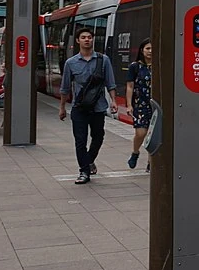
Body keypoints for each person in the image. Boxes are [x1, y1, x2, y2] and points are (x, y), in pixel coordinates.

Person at [58, 27, 118, 184]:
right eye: (83, 37)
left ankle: (89, 159)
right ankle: (84, 171)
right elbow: (65, 88)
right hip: (79, 108)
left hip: (98, 107)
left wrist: (113, 101)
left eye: (89, 37)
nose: (87, 40)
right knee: (80, 140)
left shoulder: (103, 60)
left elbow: (110, 83)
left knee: (98, 136)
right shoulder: (70, 63)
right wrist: (62, 107)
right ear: (78, 41)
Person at [123, 38, 153, 172]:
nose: (150, 51)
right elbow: (130, 86)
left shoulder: (160, 65)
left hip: (156, 105)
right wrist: (129, 105)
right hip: (140, 103)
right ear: (142, 50)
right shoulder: (134, 66)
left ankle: (150, 162)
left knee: (153, 135)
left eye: (153, 48)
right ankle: (135, 152)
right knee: (141, 132)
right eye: (147, 48)